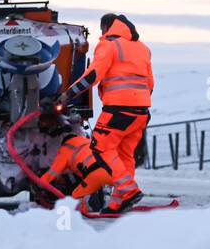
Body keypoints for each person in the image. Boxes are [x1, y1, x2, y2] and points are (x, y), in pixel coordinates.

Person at [59, 14, 154, 213]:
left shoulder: (109, 45)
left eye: (102, 29)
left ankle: (129, 191)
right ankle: (116, 202)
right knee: (124, 155)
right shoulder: (143, 49)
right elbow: (150, 84)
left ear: (107, 27)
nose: (102, 34)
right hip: (142, 111)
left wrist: (68, 94)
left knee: (100, 148)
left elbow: (93, 75)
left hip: (118, 110)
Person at [43, 131, 114, 213]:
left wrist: (39, 183)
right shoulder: (87, 141)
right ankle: (107, 195)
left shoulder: (65, 148)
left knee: (75, 197)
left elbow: (52, 173)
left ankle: (87, 203)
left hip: (94, 174)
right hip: (111, 169)